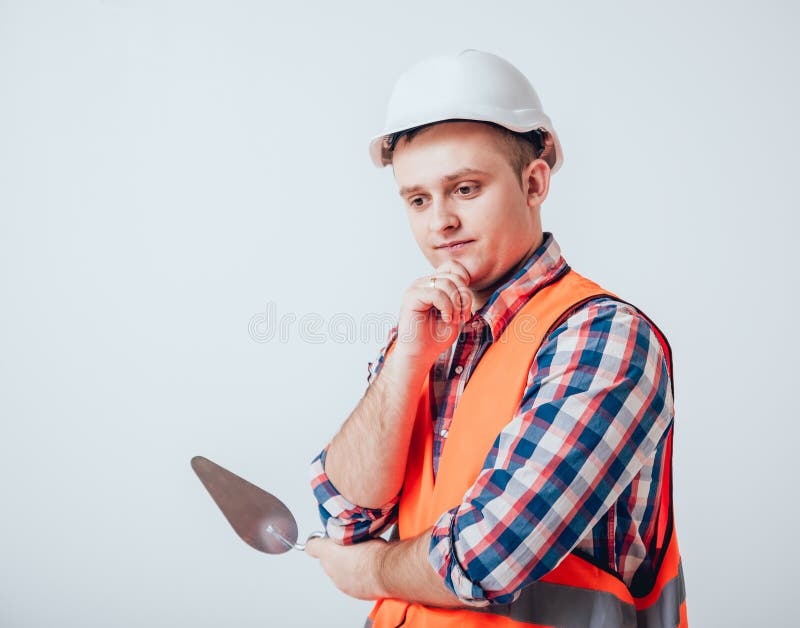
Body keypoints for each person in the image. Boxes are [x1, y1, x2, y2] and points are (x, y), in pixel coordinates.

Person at [305, 49, 687, 628]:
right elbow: (345, 515)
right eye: (417, 199)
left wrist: (372, 572)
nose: (440, 222)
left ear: (533, 183)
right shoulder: (424, 335)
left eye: (464, 188)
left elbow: (489, 557)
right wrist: (407, 360)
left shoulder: (603, 339)